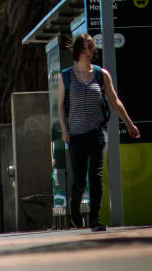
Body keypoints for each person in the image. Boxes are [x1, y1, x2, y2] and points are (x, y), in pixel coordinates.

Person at [57, 33, 140, 232]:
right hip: (75, 134)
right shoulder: (66, 76)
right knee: (79, 179)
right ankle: (75, 207)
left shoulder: (102, 75)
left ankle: (95, 219)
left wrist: (129, 124)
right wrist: (64, 130)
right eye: (84, 48)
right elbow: (60, 106)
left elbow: (115, 100)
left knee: (96, 175)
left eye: (90, 48)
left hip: (96, 132)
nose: (87, 52)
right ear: (77, 51)